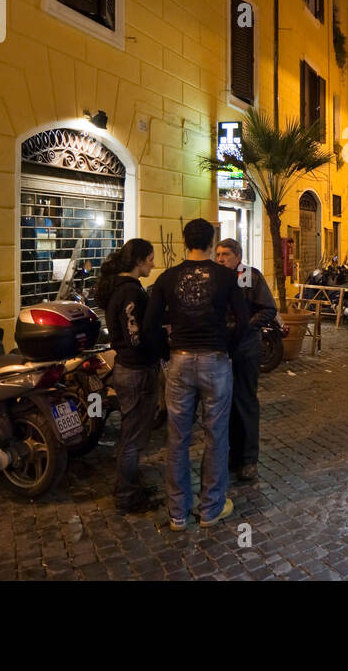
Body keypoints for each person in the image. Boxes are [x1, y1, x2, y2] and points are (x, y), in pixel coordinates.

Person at [143, 219, 248, 530]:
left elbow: (150, 325)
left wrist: (165, 352)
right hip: (215, 361)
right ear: (210, 241)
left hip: (180, 359)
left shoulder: (167, 278)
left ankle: (177, 513)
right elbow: (243, 322)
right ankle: (210, 509)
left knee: (177, 437)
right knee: (216, 436)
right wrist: (226, 347)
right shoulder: (226, 277)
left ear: (184, 241)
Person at [97, 238, 165, 515]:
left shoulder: (120, 289)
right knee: (132, 437)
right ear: (138, 261)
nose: (153, 263)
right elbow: (135, 336)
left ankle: (130, 486)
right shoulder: (130, 293)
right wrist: (159, 344)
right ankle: (126, 495)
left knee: (132, 433)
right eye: (150, 258)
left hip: (127, 368)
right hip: (136, 370)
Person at [214, 238, 276, 482]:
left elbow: (268, 309)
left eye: (226, 255)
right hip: (221, 351)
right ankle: (232, 455)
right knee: (224, 405)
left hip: (245, 349)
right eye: (218, 254)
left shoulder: (248, 276)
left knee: (245, 402)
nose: (221, 259)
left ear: (237, 256)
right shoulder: (216, 278)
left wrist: (244, 327)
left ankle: (248, 459)